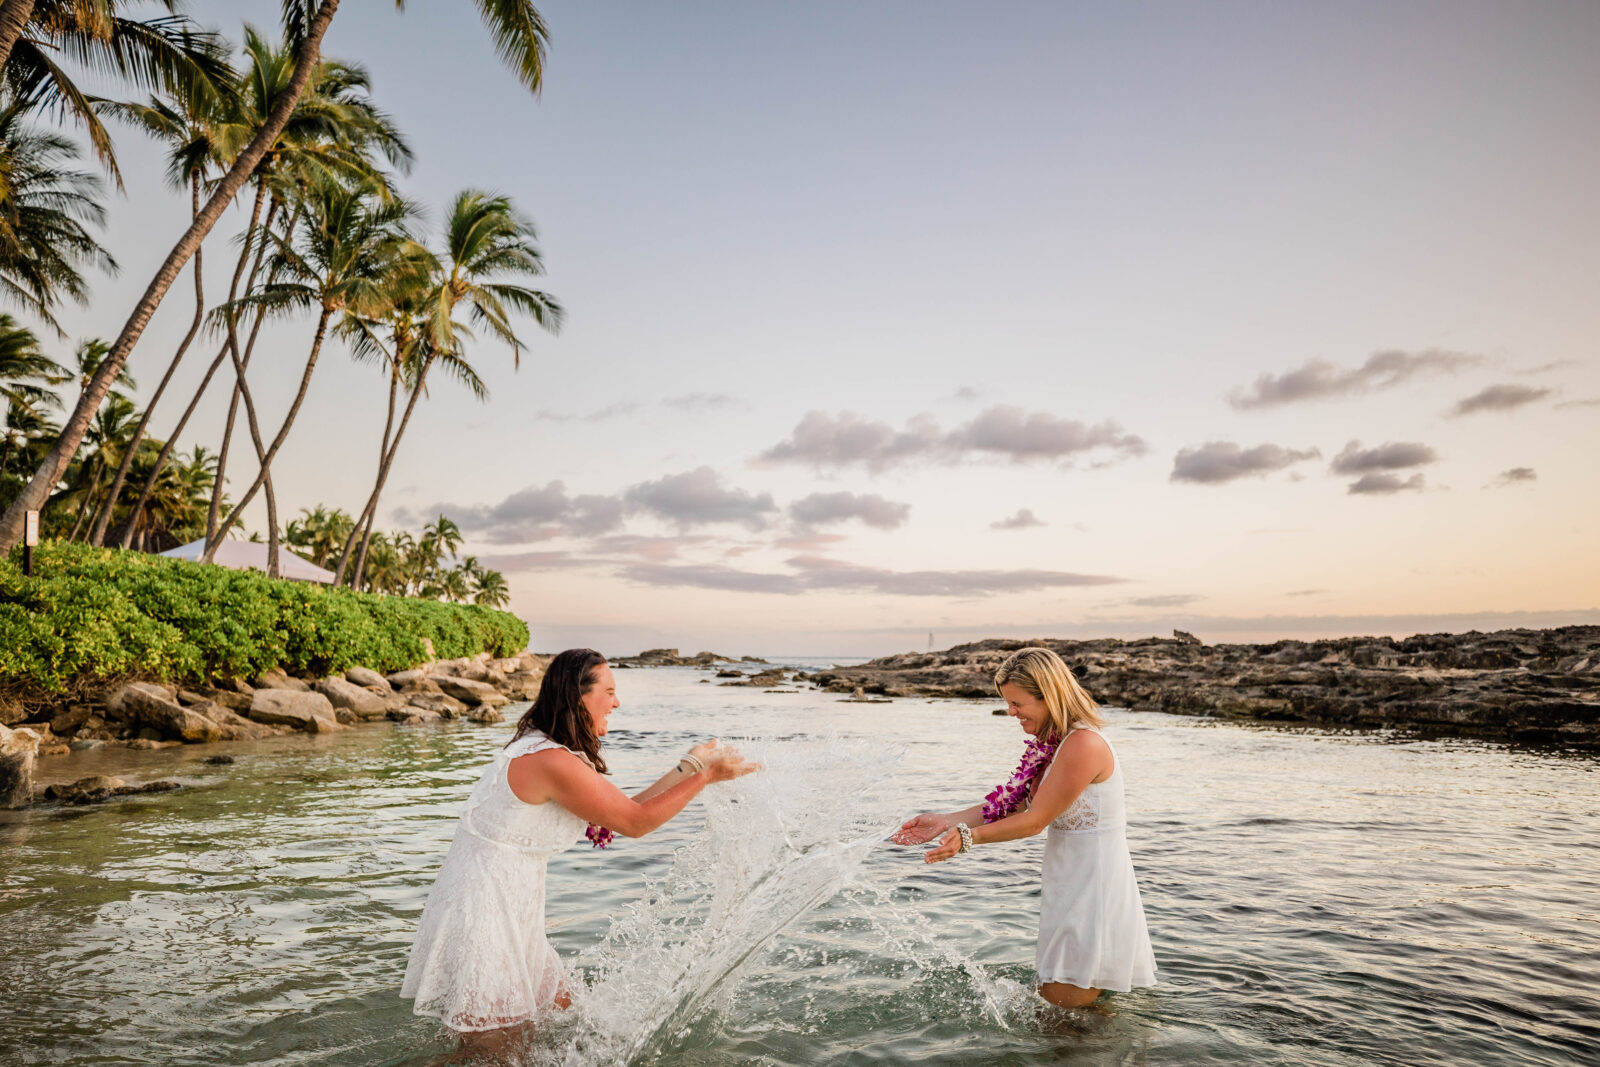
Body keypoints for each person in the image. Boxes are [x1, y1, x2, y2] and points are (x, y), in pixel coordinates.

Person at [401, 648, 759, 1054]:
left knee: (558, 1019)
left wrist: (691, 764)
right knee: (496, 1050)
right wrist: (708, 776)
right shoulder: (550, 760)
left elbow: (623, 811)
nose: (617, 702)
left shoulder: (547, 748)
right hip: (486, 907)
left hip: (509, 903)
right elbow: (637, 823)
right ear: (578, 696)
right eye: (609, 691)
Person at [893, 646, 1156, 1008]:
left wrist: (967, 839)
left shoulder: (1082, 744)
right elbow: (1009, 805)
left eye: (1017, 703)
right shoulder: (1055, 746)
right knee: (1074, 1018)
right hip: (1068, 888)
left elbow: (1034, 821)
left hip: (1093, 893)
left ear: (1050, 696)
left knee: (1060, 1018)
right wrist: (945, 821)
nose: (1010, 712)